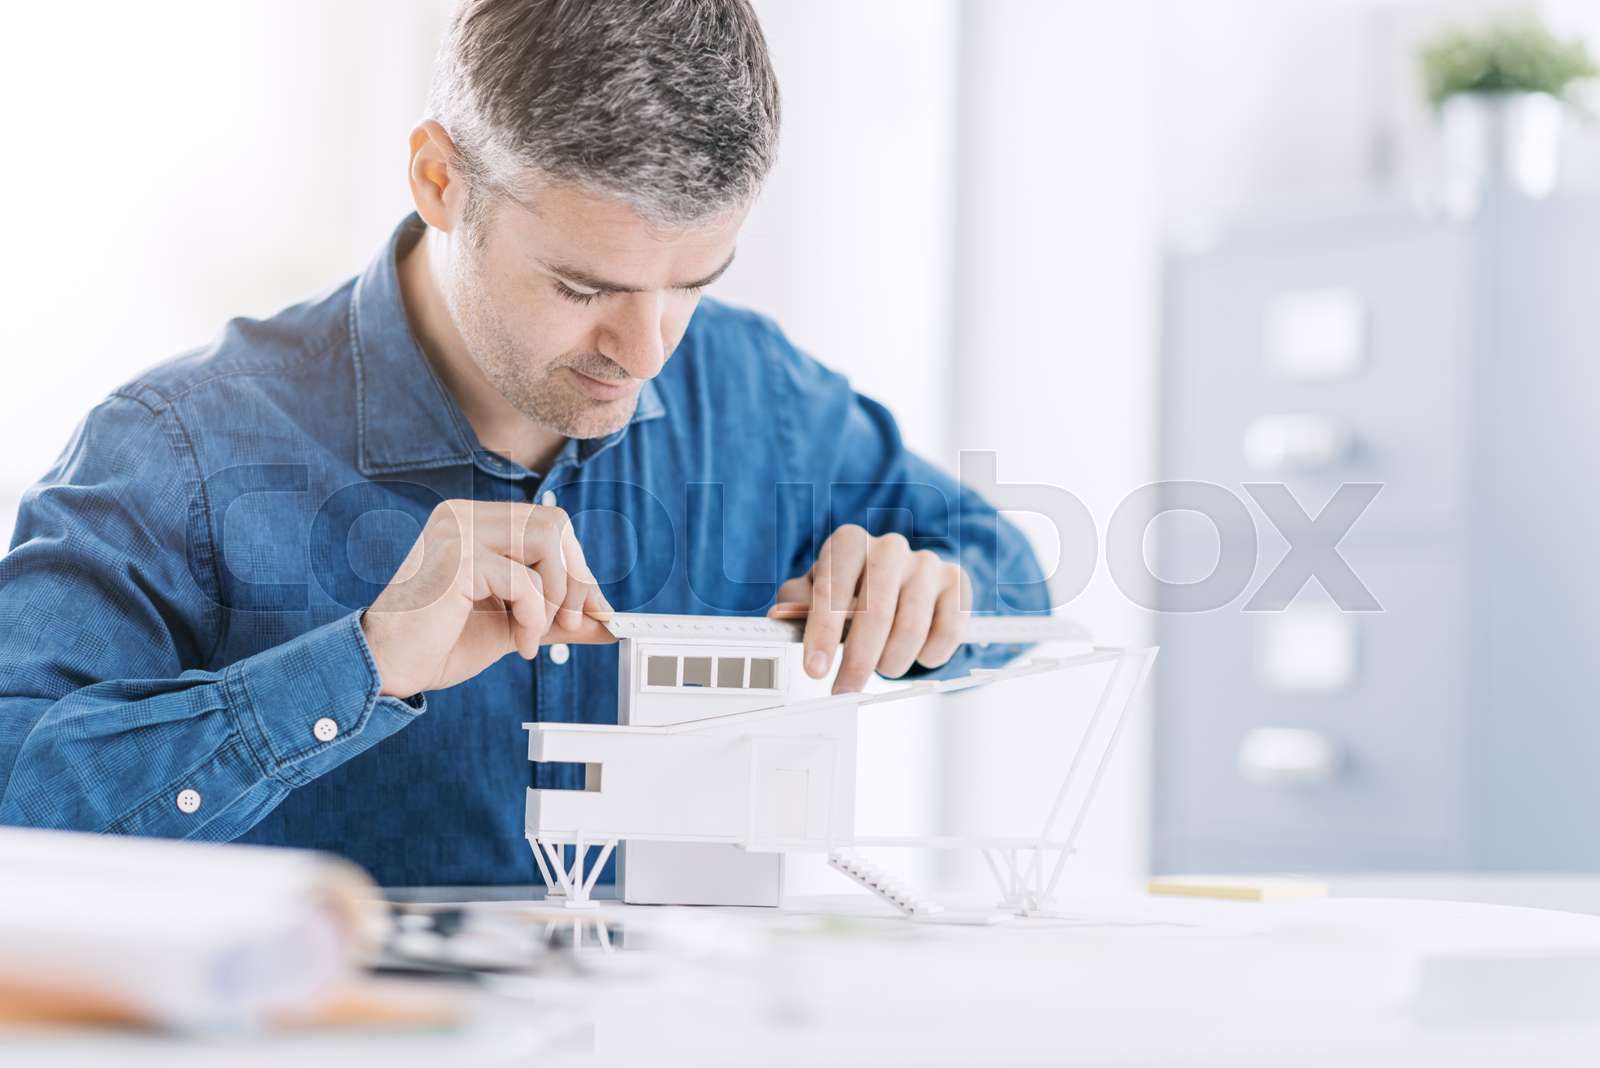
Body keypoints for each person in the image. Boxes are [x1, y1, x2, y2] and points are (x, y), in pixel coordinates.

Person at [0, 0, 1047, 886]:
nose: (645, 349)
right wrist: (359, 667)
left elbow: (1010, 581)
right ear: (438, 181)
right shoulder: (176, 450)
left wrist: (937, 591)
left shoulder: (758, 392)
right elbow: (15, 801)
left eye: (694, 282)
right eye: (583, 286)